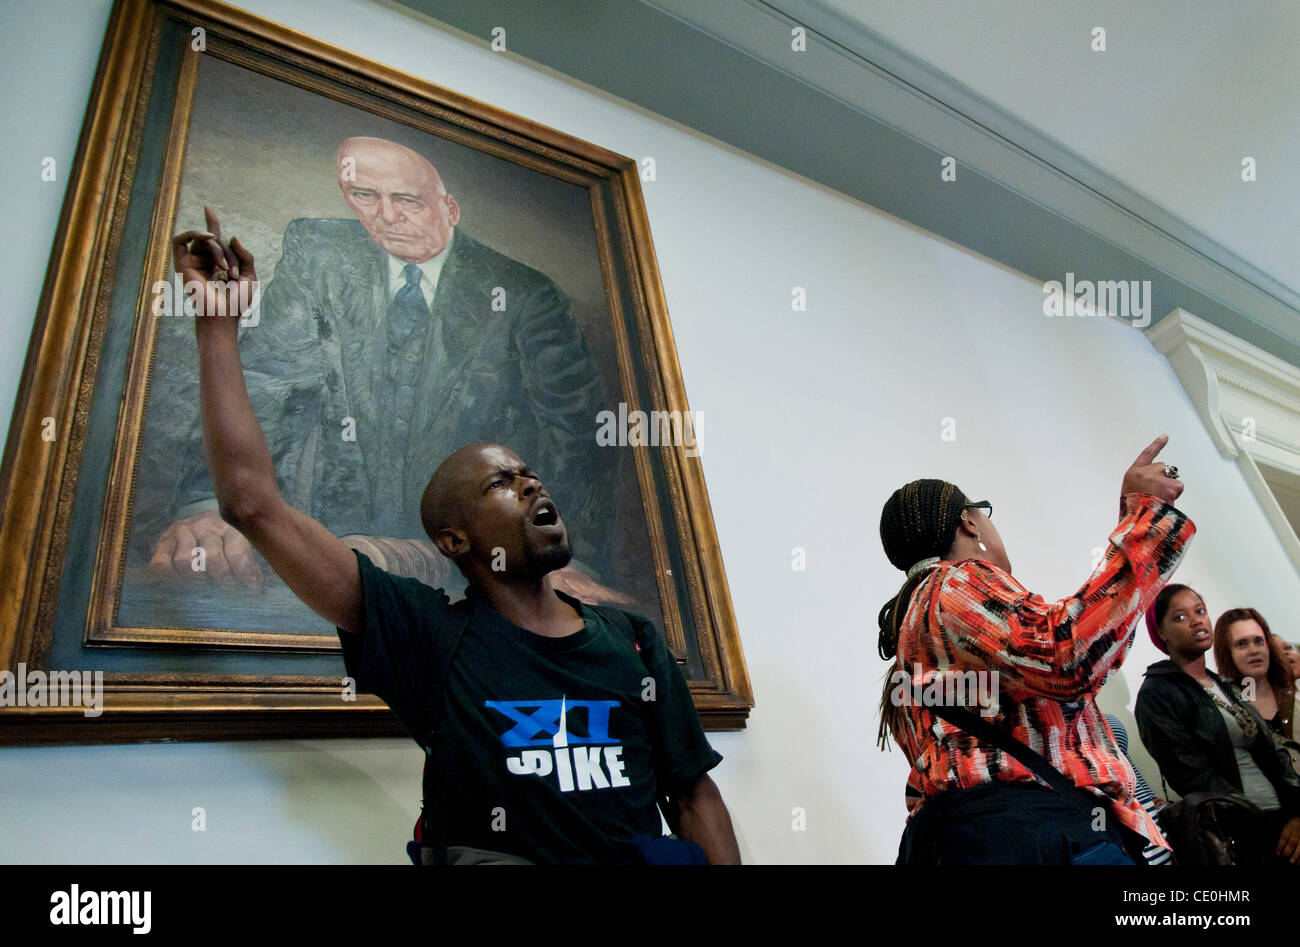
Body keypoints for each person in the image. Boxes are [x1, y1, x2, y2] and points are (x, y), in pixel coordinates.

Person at [170, 212, 740, 864]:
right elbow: (253, 505)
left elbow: (693, 795)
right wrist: (217, 326)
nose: (531, 486)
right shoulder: (428, 638)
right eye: (502, 482)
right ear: (453, 539)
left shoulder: (635, 643)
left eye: (530, 475)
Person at [152, 137, 619, 600]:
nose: (387, 217)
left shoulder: (524, 293)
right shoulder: (317, 252)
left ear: (450, 209)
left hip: (475, 570)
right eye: (365, 196)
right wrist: (209, 505)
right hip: (329, 563)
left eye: (407, 200)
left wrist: (565, 556)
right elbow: (267, 380)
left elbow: (575, 432)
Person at [877, 436, 1193, 865]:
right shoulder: (956, 584)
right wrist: (1147, 517)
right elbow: (1069, 656)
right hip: (1035, 834)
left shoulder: (911, 631)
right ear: (969, 522)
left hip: (977, 837)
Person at [1135, 585, 1300, 864]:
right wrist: (1266, 825)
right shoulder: (1157, 694)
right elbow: (1192, 776)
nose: (1197, 620)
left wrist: (1296, 813)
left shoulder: (1224, 685)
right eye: (1180, 617)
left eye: (1200, 611)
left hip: (1285, 821)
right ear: (1161, 633)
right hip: (1244, 835)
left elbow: (1274, 752)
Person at [1213, 608, 1297, 739]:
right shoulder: (1226, 710)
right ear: (1227, 653)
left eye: (1258, 641)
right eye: (1242, 644)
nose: (1254, 651)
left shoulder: (1294, 692)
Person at [1103, 714, 1173, 865]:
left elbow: (1126, 763)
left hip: (1156, 830)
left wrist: (1153, 798)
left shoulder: (1088, 710)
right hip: (1129, 840)